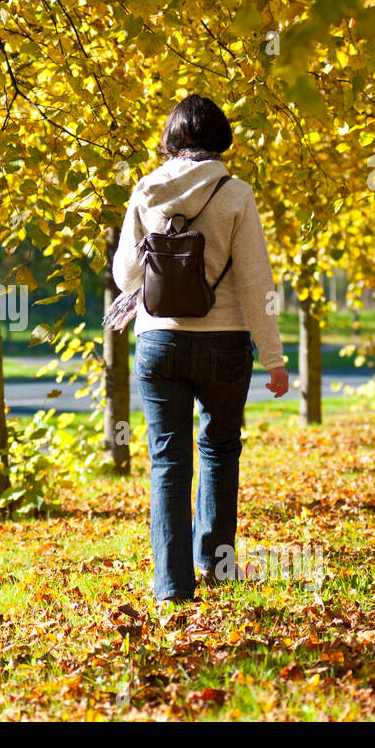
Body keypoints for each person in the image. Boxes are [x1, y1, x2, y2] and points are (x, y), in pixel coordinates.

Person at [112, 94, 289, 604]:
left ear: (173, 137)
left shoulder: (146, 190)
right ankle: (214, 564)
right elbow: (257, 282)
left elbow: (126, 273)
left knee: (168, 459)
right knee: (219, 449)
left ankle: (171, 587)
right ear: (219, 137)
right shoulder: (236, 194)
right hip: (225, 343)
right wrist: (273, 358)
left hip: (159, 340)